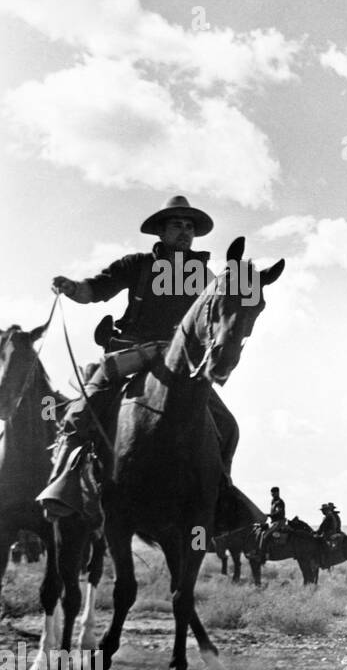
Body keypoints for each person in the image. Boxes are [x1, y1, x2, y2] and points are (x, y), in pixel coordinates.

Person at [37, 196, 238, 523]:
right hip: (131, 354)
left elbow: (219, 320)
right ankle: (64, 483)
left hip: (183, 367)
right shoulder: (137, 265)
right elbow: (95, 290)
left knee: (228, 427)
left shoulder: (205, 277)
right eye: (177, 225)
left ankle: (218, 499)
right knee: (81, 412)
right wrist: (73, 287)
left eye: (189, 227)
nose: (185, 232)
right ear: (161, 231)